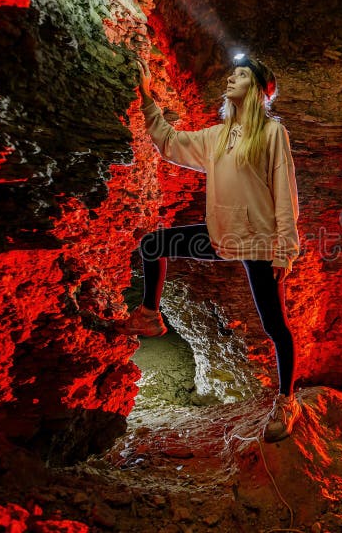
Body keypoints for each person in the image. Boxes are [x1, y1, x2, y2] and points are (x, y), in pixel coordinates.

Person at [123, 53, 301, 443]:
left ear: (256, 90)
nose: (229, 79)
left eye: (239, 75)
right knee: (154, 244)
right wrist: (147, 97)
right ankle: (150, 315)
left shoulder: (272, 134)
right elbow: (169, 143)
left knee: (275, 325)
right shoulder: (216, 136)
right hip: (220, 235)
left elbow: (285, 193)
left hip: (257, 241)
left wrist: (285, 249)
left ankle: (287, 401)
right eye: (232, 72)